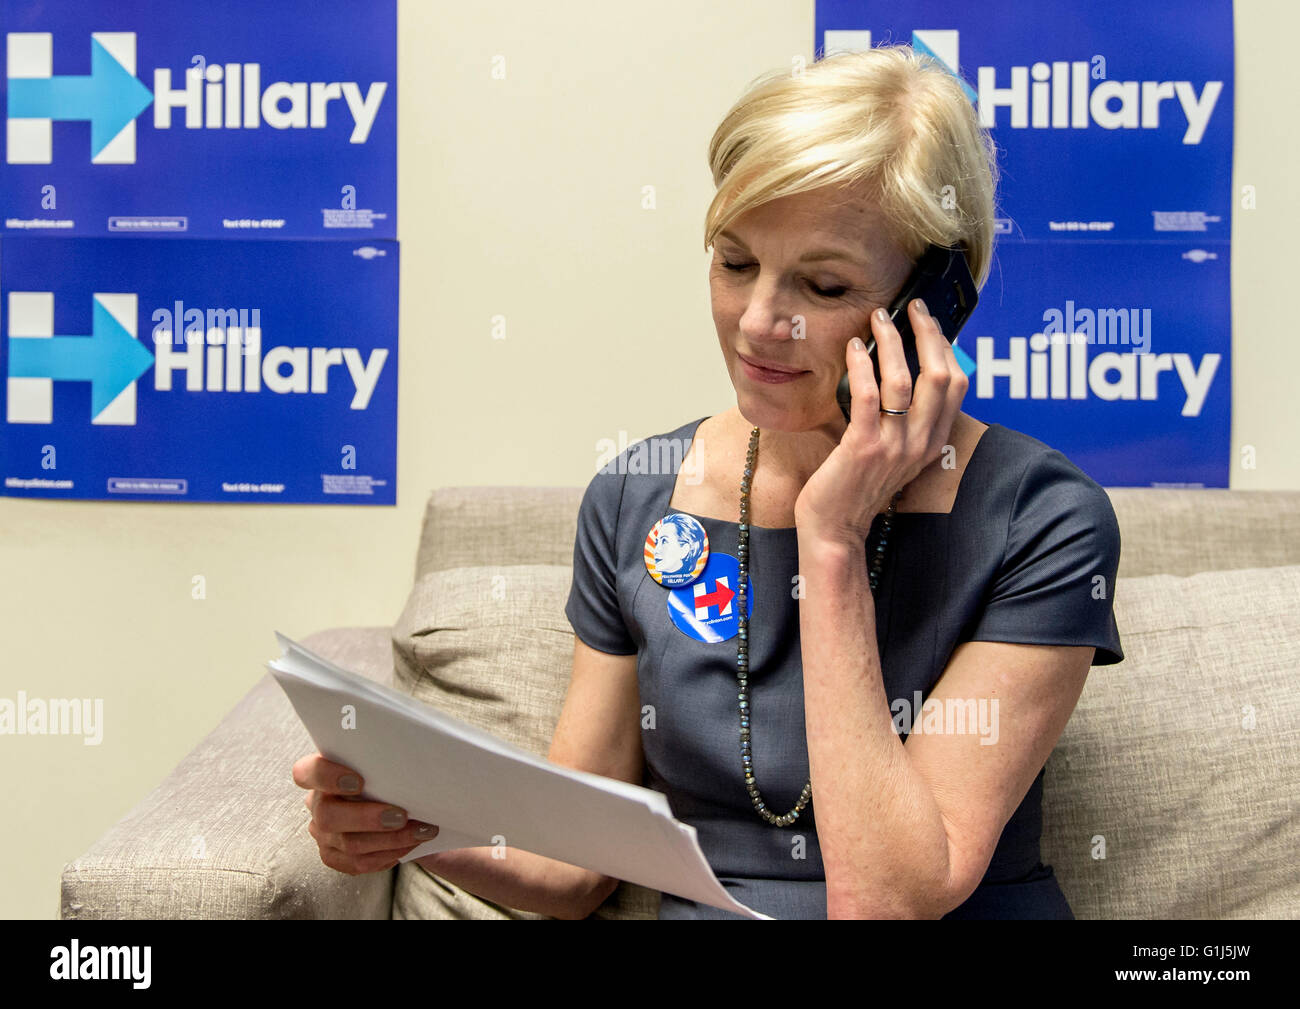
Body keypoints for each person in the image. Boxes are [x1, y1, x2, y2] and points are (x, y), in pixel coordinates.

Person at [293, 44, 1124, 919]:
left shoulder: (1043, 518)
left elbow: (890, 901)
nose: (760, 322)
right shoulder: (636, 495)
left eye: (824, 282)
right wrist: (409, 822)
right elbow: (577, 864)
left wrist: (830, 536)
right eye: (735, 263)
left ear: (936, 301)